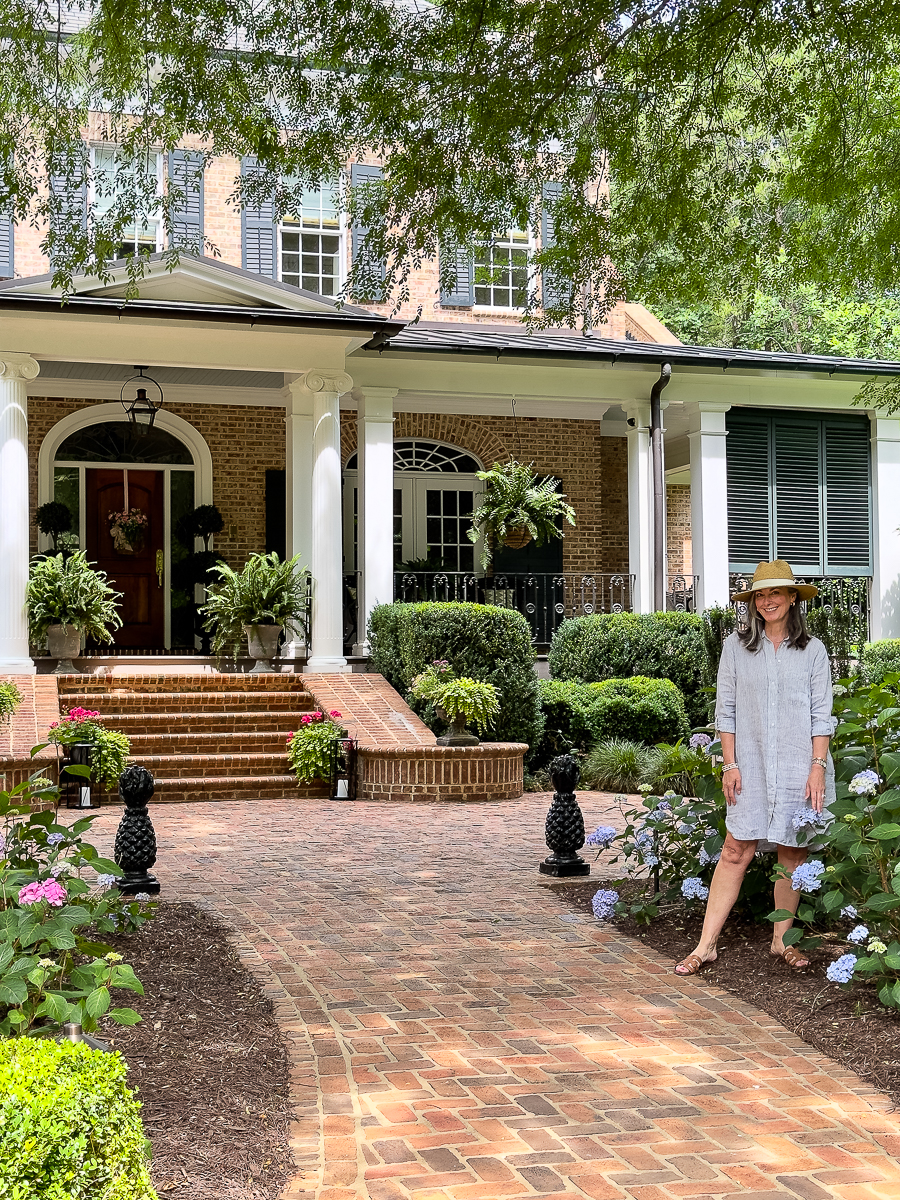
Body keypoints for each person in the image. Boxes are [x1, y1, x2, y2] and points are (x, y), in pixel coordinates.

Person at [674, 559, 836, 976]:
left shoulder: (813, 651)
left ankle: (782, 941)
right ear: (753, 602)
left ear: (792, 599)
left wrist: (817, 766)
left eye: (776, 593)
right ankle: (706, 945)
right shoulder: (735, 647)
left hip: (801, 765)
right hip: (750, 767)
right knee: (734, 849)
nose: (768, 601)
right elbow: (724, 712)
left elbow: (822, 716)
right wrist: (729, 765)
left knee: (793, 851)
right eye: (760, 594)